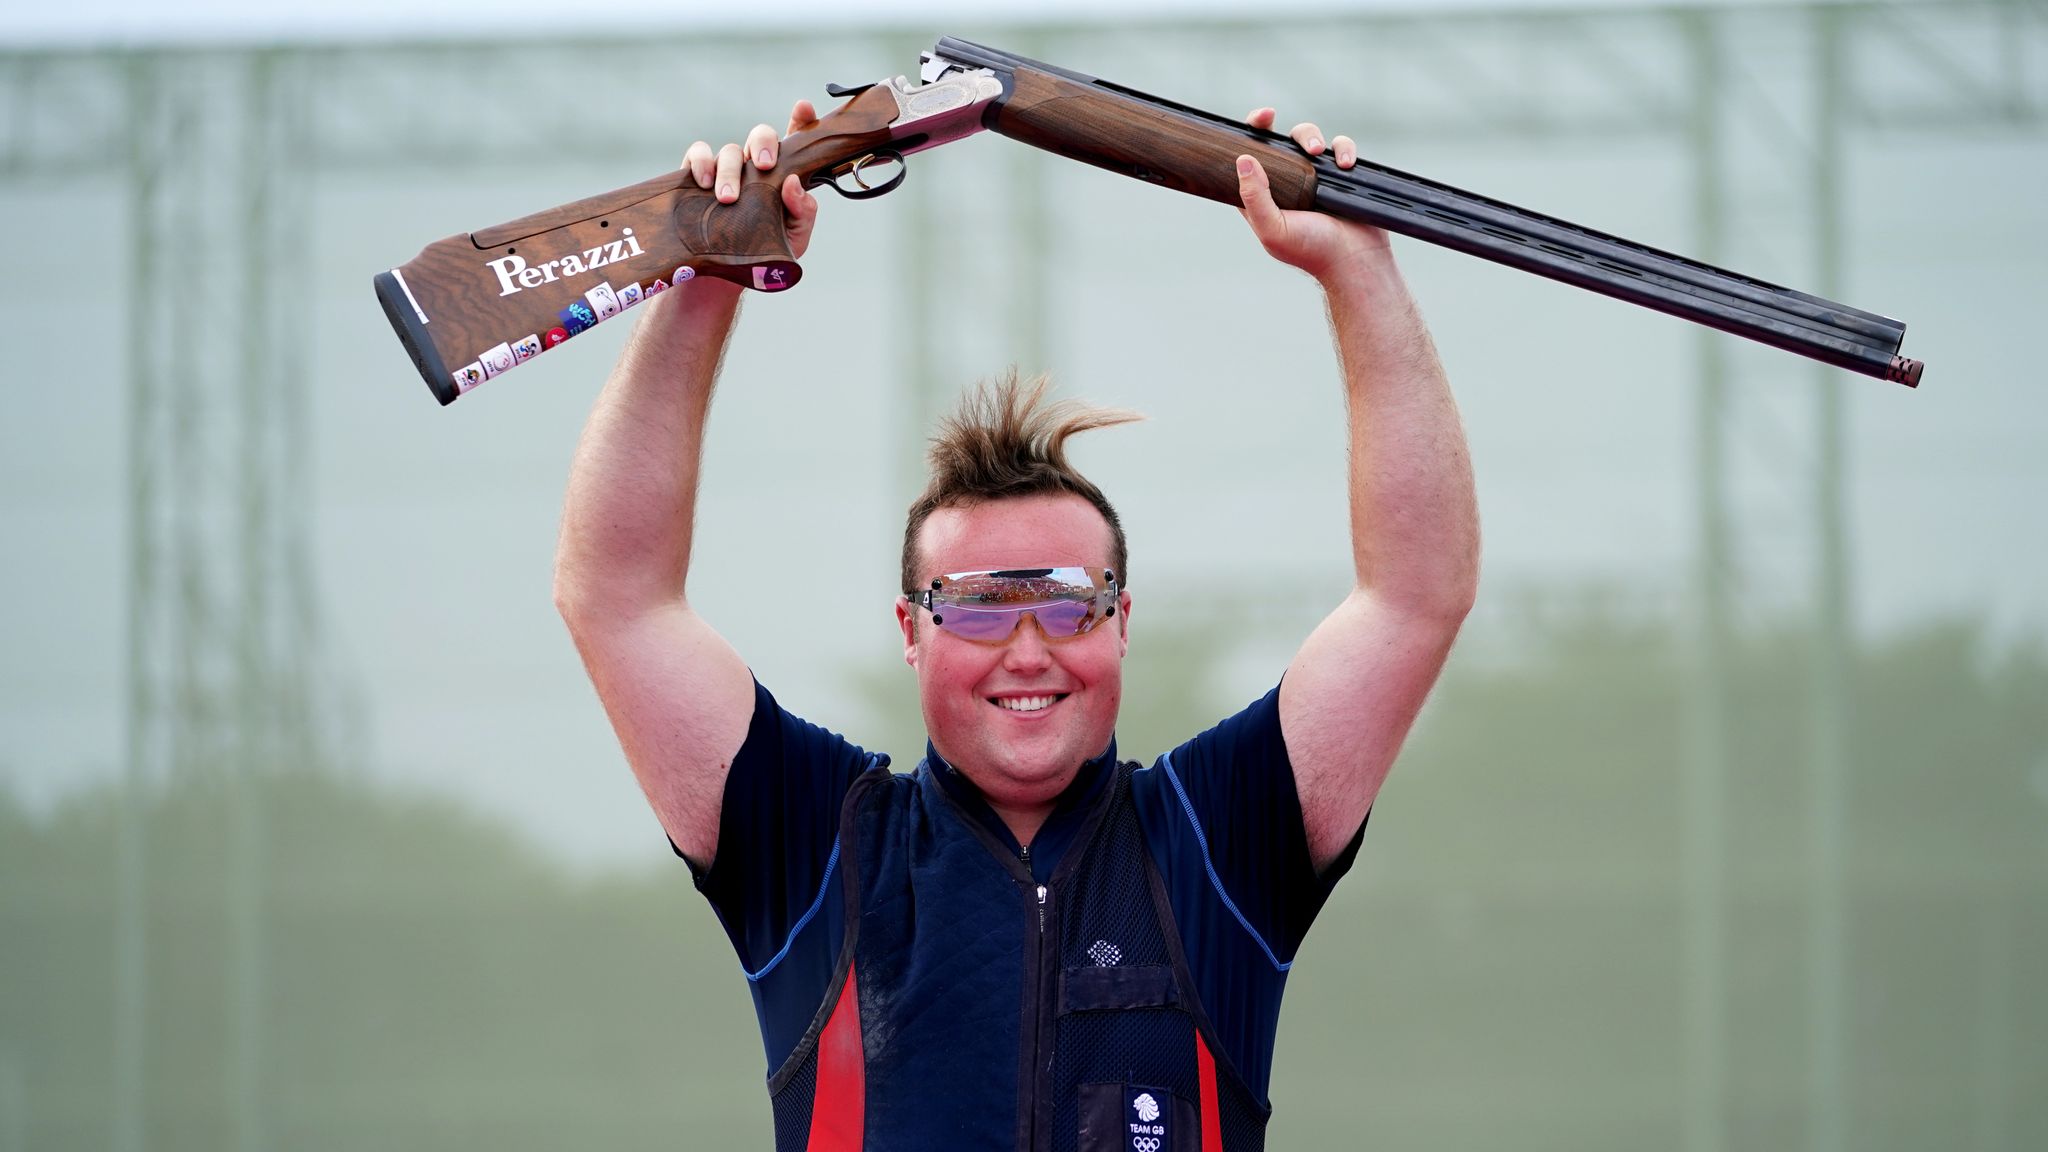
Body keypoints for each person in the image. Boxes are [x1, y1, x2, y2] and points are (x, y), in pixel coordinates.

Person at [553, 98, 1479, 1152]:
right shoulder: (818, 844)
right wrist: (705, 280)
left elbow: (1414, 593)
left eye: (1068, 602)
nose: (1028, 650)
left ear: (1120, 621)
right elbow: (615, 600)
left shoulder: (1216, 838)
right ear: (911, 632)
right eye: (980, 606)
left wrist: (1358, 270)